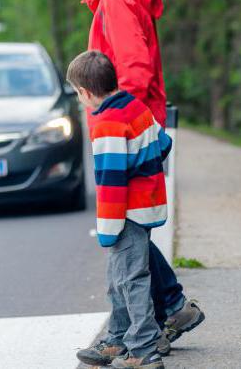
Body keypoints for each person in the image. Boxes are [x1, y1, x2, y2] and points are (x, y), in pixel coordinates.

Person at [69, 0, 205, 365]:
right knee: (133, 232)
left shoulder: (117, 1)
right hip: (137, 125)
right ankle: (171, 310)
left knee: (126, 234)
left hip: (126, 130)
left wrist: (117, 122)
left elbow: (134, 71)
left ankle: (131, 338)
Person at [67, 51, 169, 369]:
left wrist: (108, 230)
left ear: (85, 92)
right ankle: (118, 338)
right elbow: (163, 142)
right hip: (147, 202)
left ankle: (143, 348)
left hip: (127, 212)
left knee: (131, 278)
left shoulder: (108, 124)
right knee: (119, 277)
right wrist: (140, 160)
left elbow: (111, 184)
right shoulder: (135, 106)